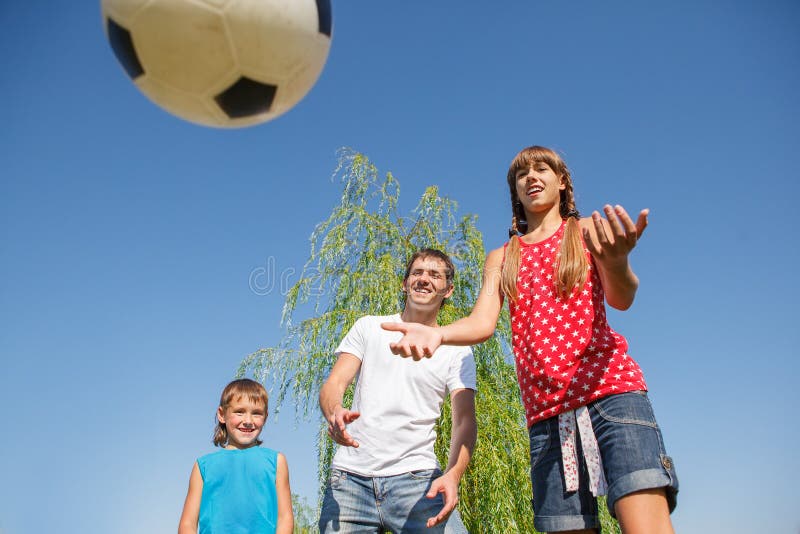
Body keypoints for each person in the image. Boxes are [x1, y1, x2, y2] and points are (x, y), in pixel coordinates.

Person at [383, 146, 678, 534]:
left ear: (562, 182)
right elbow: (482, 323)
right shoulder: (502, 258)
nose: (531, 177)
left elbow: (622, 298)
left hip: (610, 397)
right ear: (515, 191)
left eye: (542, 169)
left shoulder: (586, 230)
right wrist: (437, 332)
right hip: (546, 416)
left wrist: (617, 262)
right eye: (522, 174)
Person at [318, 248, 477, 533]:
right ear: (404, 283)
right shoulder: (369, 327)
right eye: (417, 272)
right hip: (350, 481)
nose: (424, 279)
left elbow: (464, 420)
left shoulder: (457, 350)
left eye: (434, 275)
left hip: (418, 481)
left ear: (448, 290)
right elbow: (334, 384)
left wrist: (453, 475)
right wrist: (334, 413)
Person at [178, 378, 293, 534]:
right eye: (239, 412)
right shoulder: (203, 466)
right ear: (222, 415)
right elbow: (187, 524)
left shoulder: (276, 461)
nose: (248, 421)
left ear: (265, 417)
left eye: (256, 413)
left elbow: (285, 519)